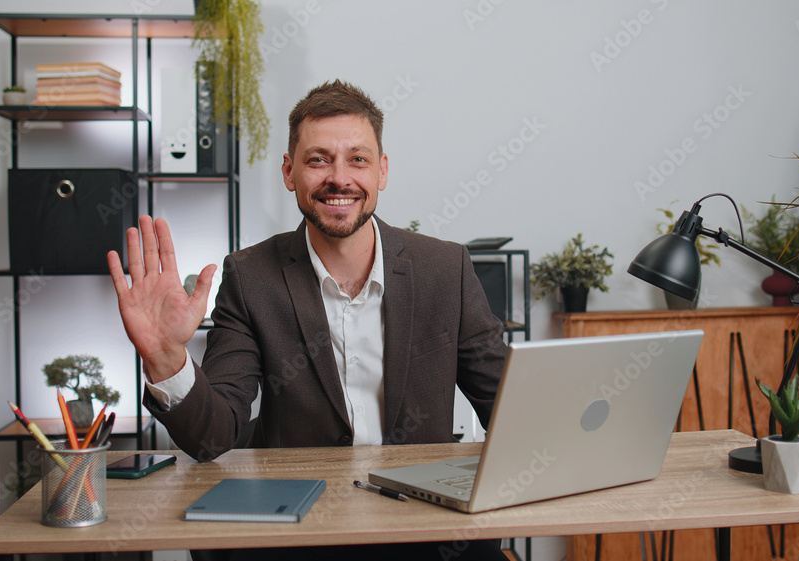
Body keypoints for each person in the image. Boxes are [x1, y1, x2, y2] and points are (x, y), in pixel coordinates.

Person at [108, 80, 508, 560]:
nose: (339, 178)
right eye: (318, 160)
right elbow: (213, 438)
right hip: (297, 528)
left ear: (382, 171)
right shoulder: (251, 276)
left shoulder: (446, 269)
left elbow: (508, 408)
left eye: (357, 159)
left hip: (421, 524)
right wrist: (167, 358)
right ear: (289, 172)